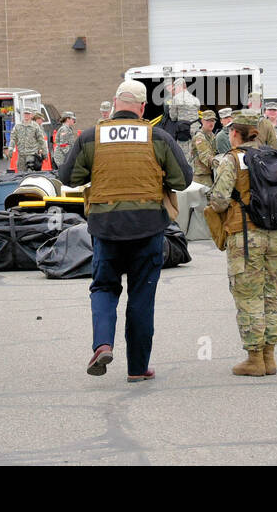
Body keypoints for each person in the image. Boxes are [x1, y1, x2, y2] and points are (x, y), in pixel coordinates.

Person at [60, 80, 192, 382]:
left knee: (104, 287)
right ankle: (137, 368)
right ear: (143, 108)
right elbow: (182, 180)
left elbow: (68, 178)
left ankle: (103, 344)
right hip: (148, 229)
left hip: (106, 228)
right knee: (142, 297)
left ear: (115, 103)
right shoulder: (157, 137)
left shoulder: (90, 137)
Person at [208, 110, 277, 377]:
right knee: (270, 295)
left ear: (234, 133)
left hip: (246, 237)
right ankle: (270, 357)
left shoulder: (233, 159)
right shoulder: (274, 155)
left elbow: (219, 200)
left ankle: (254, 358)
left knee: (248, 296)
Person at [189, 109, 218, 185]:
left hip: (209, 172)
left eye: (213, 121)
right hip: (201, 176)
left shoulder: (212, 135)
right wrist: (221, 164)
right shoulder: (200, 137)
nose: (211, 123)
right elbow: (205, 157)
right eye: (208, 121)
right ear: (202, 121)